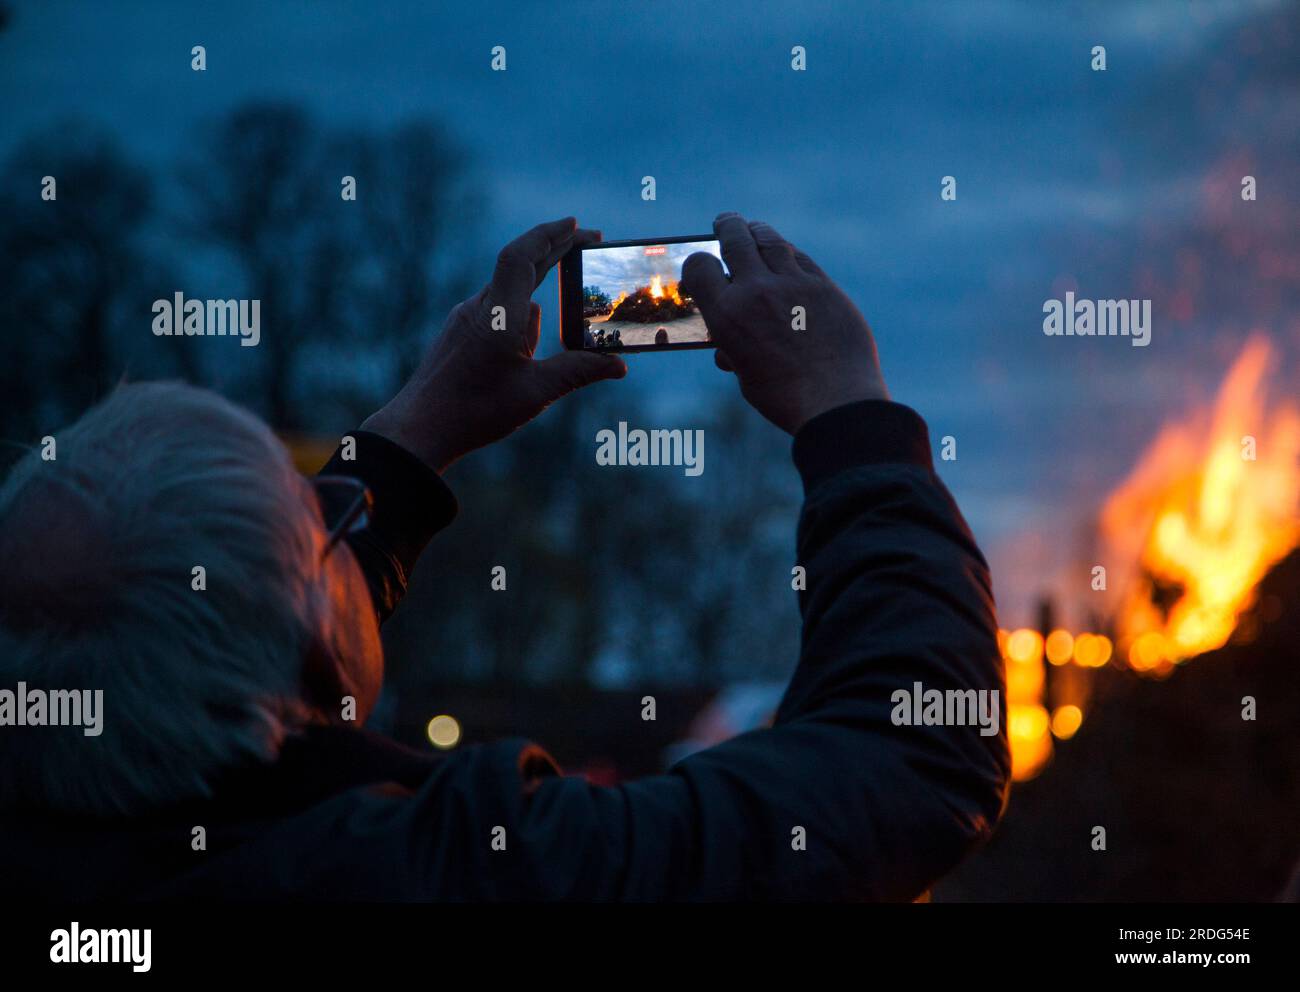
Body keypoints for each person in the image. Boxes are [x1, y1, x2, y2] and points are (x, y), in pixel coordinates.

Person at [0, 213, 1008, 901]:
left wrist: (418, 428)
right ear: (307, 645)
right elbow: (912, 761)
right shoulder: (455, 872)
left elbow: (235, 620)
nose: (354, 526)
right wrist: (852, 419)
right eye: (324, 526)